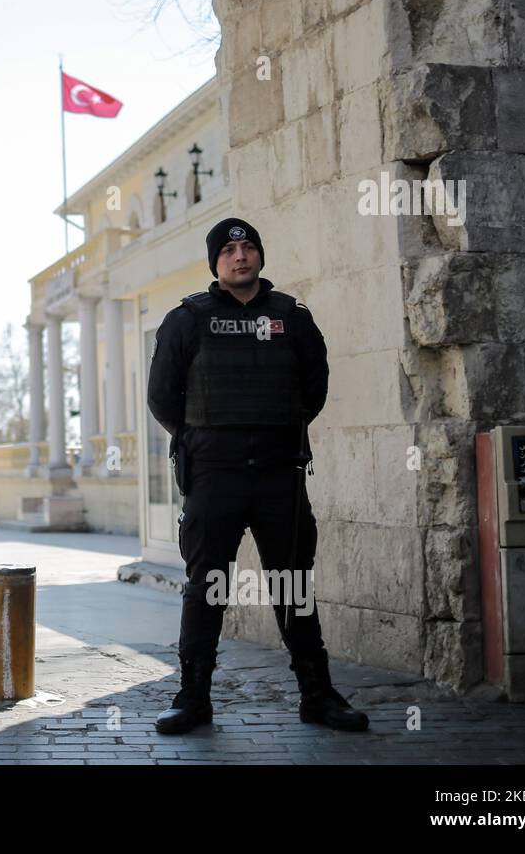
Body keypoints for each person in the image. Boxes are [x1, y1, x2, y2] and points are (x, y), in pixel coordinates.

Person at [147, 217, 368, 735]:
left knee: (294, 587)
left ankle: (318, 695)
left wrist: (272, 430)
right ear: (215, 263)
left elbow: (314, 388)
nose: (239, 255)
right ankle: (193, 697)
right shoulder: (187, 319)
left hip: (278, 475)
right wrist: (206, 436)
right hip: (214, 477)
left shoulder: (293, 317)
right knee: (207, 587)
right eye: (227, 250)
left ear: (260, 257)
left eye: (247, 247)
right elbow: (162, 396)